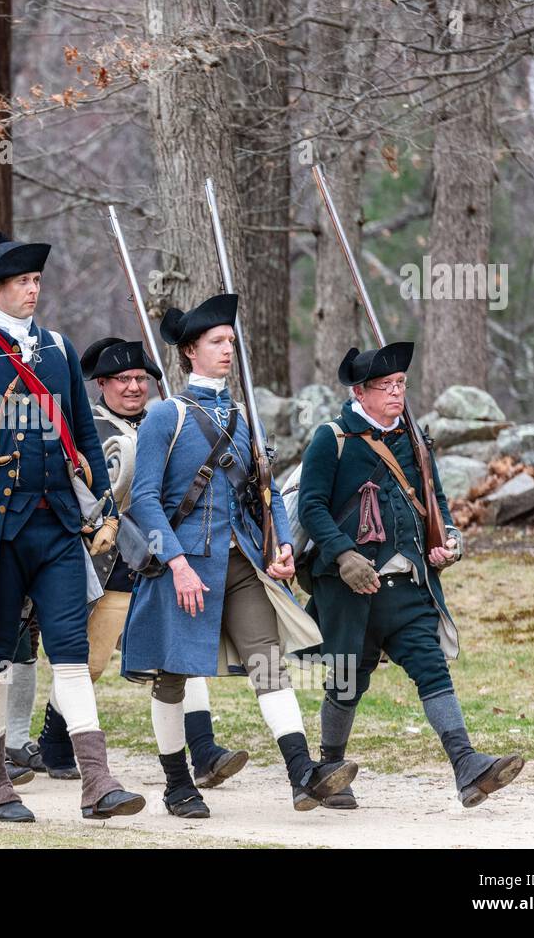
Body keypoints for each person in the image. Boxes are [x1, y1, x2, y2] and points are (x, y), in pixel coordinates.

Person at [0, 229, 144, 823]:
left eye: (37, 280)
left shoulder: (58, 350)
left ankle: (97, 782)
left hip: (58, 529)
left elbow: (85, 435)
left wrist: (104, 506)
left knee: (70, 653)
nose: (32, 290)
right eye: (22, 281)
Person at [121, 293, 351, 817]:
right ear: (190, 352)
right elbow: (146, 500)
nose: (228, 350)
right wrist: (177, 563)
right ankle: (178, 784)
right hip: (181, 565)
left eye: (230, 341)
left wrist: (282, 546)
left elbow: (262, 495)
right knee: (173, 678)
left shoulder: (244, 415)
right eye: (217, 342)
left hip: (243, 562)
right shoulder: (165, 416)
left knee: (269, 664)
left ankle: (301, 774)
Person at [299, 342, 524, 808]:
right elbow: (312, 507)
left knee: (430, 666)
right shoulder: (332, 437)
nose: (397, 393)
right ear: (360, 392)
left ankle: (467, 765)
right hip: (348, 589)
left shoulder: (414, 437)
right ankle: (329, 771)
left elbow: (435, 499)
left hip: (407, 584)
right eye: (387, 386)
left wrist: (449, 540)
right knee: (345, 681)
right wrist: (343, 554)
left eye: (402, 384)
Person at [34, 336, 249, 790]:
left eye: (139, 379)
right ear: (102, 385)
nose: (133, 387)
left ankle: (205, 751)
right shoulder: (87, 429)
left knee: (182, 652)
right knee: (89, 663)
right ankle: (53, 743)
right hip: (113, 561)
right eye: (122, 380)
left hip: (166, 556)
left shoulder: (168, 419)